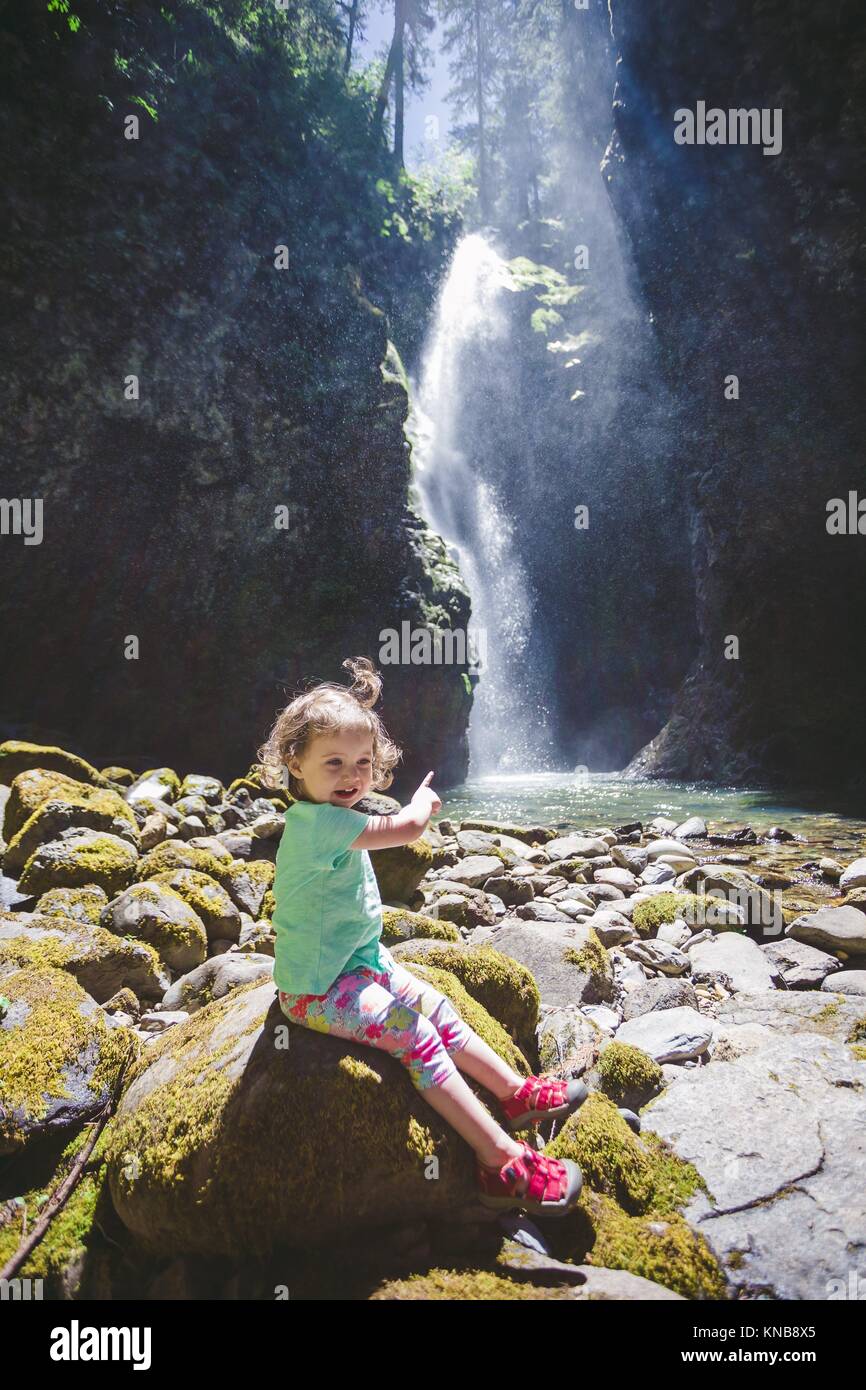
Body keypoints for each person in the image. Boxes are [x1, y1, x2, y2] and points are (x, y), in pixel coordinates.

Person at [257, 655, 585, 1217]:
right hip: (316, 987)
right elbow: (407, 829)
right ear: (294, 761)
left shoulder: (334, 819)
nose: (351, 776)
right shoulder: (320, 826)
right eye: (333, 762)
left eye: (362, 762)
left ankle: (513, 1092)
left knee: (440, 1007)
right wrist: (422, 806)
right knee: (417, 1037)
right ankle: (499, 1162)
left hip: (358, 961)